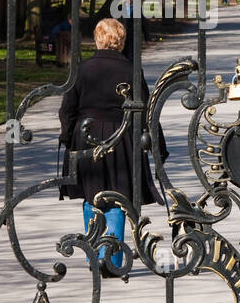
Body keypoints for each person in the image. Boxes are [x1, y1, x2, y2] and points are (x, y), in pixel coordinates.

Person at [58, 17, 164, 275]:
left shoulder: (82, 69)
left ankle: (95, 256)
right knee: (117, 196)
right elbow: (146, 108)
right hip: (121, 137)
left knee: (91, 195)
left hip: (87, 135)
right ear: (121, 41)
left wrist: (67, 136)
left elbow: (67, 109)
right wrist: (156, 142)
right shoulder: (130, 70)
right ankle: (112, 259)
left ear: (97, 39)